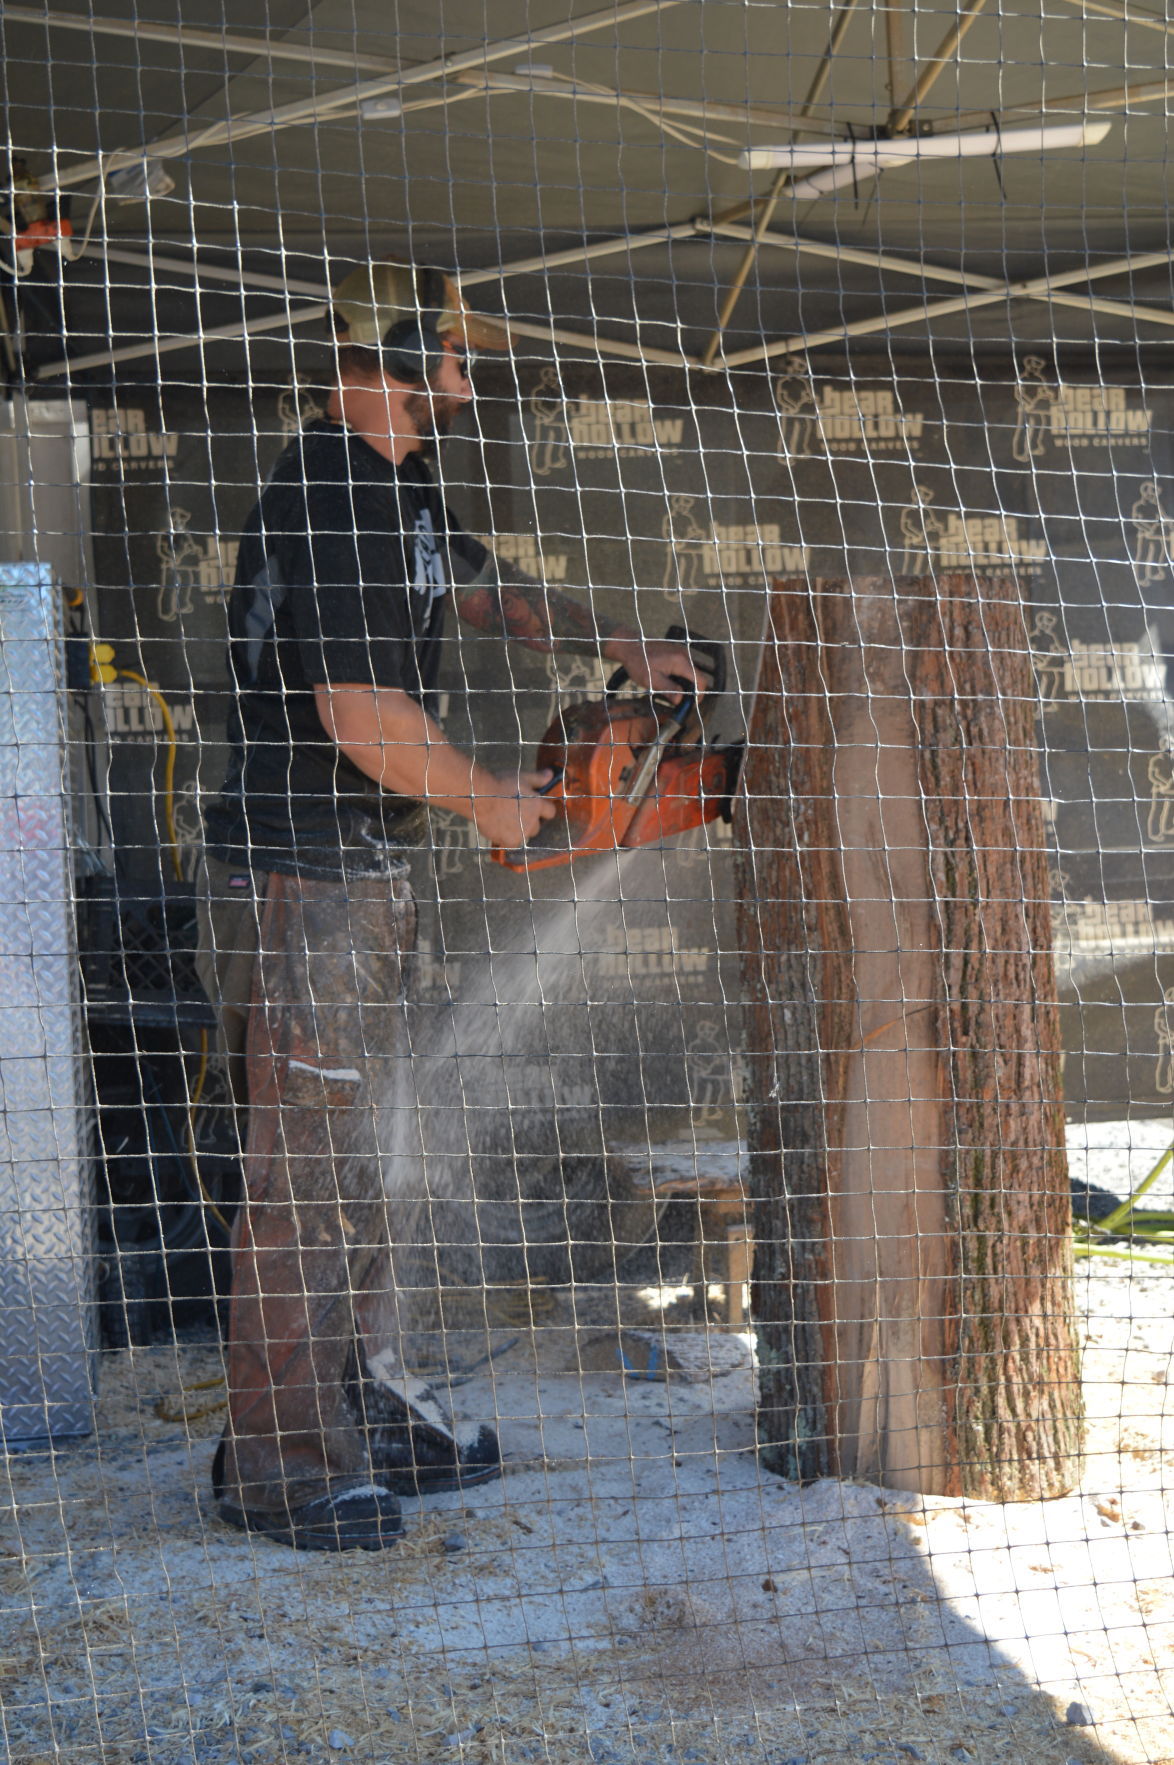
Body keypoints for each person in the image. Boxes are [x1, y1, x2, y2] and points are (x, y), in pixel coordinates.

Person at [197, 261, 701, 1553]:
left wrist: (615, 650)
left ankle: (359, 1416)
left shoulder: (398, 484)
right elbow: (358, 716)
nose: (469, 378)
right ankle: (279, 1464)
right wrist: (488, 797)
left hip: (368, 867)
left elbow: (478, 586)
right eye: (452, 354)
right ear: (387, 357)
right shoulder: (328, 492)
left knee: (369, 1162)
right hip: (309, 866)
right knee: (310, 1172)